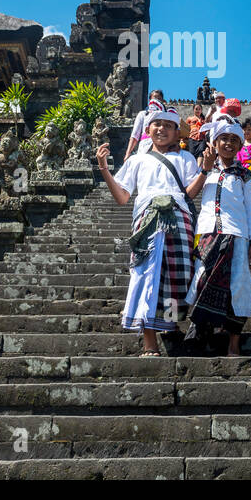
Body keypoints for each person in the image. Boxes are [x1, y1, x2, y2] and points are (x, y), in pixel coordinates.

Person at [98, 109, 208, 357]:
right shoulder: (137, 160)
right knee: (147, 276)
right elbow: (122, 197)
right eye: (156, 124)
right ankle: (149, 342)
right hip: (147, 220)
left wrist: (204, 170)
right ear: (147, 130)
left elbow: (190, 194)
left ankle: (170, 325)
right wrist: (104, 169)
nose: (161, 129)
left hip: (179, 218)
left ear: (176, 132)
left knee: (179, 275)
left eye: (168, 125)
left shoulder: (186, 158)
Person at [187, 118, 251, 357]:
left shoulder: (244, 175)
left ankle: (233, 343)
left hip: (236, 235)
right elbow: (189, 195)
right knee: (202, 282)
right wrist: (205, 168)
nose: (228, 144)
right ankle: (205, 335)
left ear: (240, 145)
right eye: (223, 139)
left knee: (238, 289)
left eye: (233, 140)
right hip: (207, 235)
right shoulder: (204, 169)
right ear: (214, 142)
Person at [124, 90, 166, 161]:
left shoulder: (166, 116)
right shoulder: (143, 114)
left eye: (159, 99)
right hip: (145, 147)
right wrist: (128, 153)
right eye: (154, 98)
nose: (156, 100)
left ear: (163, 101)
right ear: (150, 100)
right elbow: (135, 135)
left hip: (161, 148)